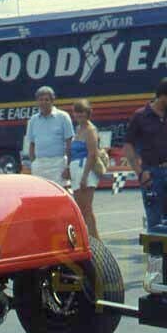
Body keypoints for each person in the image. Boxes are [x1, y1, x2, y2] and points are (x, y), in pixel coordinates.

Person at [123, 76, 167, 230]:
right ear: (162, 95)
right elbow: (128, 145)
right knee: (154, 220)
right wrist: (140, 173)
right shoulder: (140, 116)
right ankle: (156, 247)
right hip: (151, 176)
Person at [25, 86, 74, 184]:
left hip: (58, 164)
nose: (43, 102)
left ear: (52, 101)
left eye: (47, 100)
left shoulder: (63, 117)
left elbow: (70, 143)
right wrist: (33, 163)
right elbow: (31, 144)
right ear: (37, 101)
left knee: (59, 192)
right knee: (39, 192)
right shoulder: (33, 120)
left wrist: (68, 167)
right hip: (39, 165)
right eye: (41, 100)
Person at [68, 99, 102, 240]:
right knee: (81, 209)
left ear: (88, 113)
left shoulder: (90, 130)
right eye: (77, 112)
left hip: (85, 170)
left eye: (82, 112)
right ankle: (88, 240)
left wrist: (84, 177)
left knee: (87, 209)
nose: (79, 115)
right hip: (76, 170)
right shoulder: (78, 129)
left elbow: (92, 154)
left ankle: (97, 242)